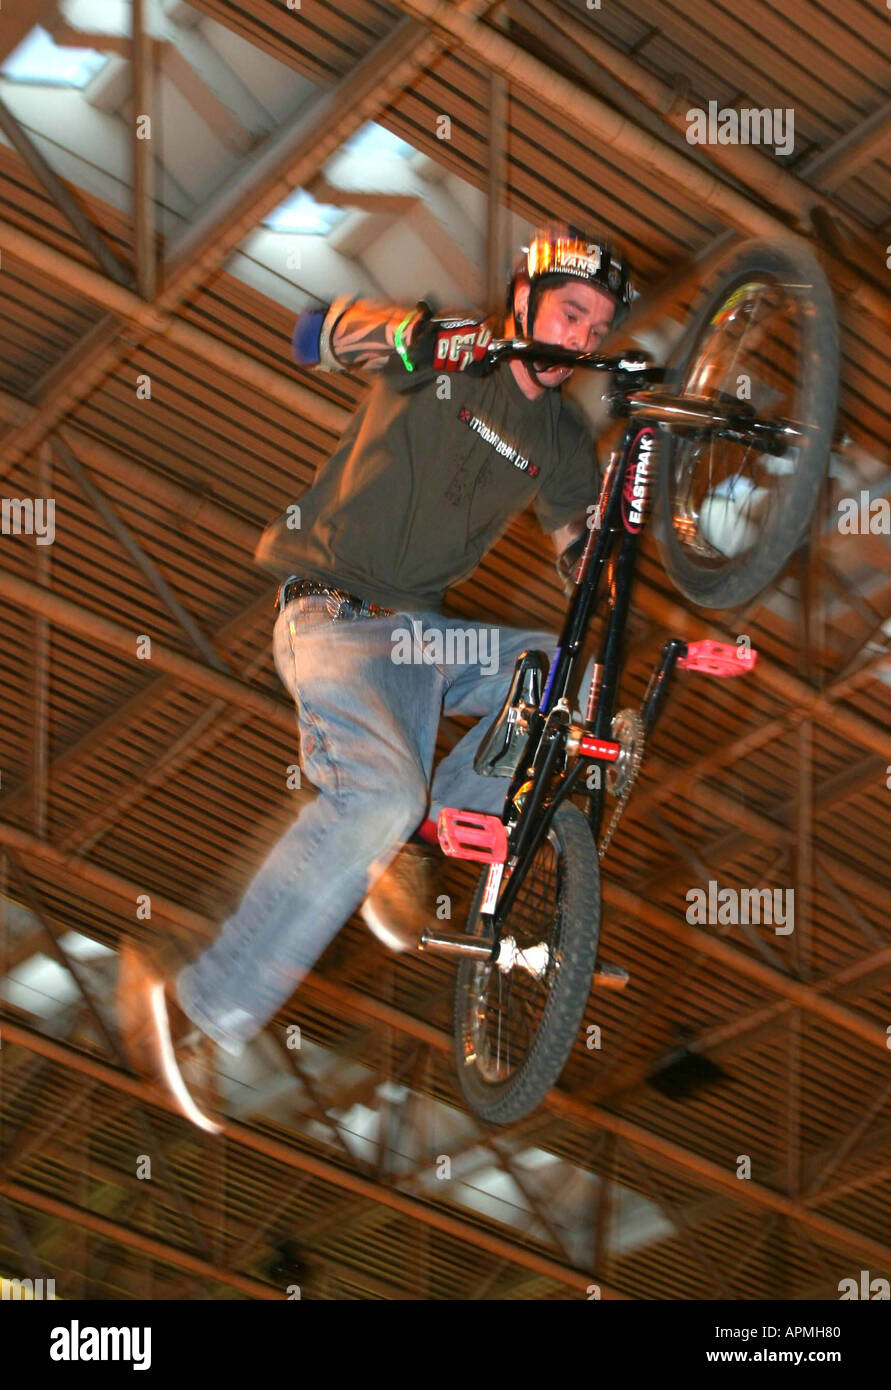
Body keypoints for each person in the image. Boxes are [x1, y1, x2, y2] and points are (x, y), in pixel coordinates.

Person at [117, 223, 632, 1133]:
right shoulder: (444, 352)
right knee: (377, 793)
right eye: (569, 312)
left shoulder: (559, 438)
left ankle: (425, 832)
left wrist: (616, 534)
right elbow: (311, 334)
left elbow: (575, 562)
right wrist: (410, 333)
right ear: (524, 299)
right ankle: (198, 1004)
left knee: (565, 674)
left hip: (422, 642)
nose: (581, 339)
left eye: (596, 328)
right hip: (331, 616)